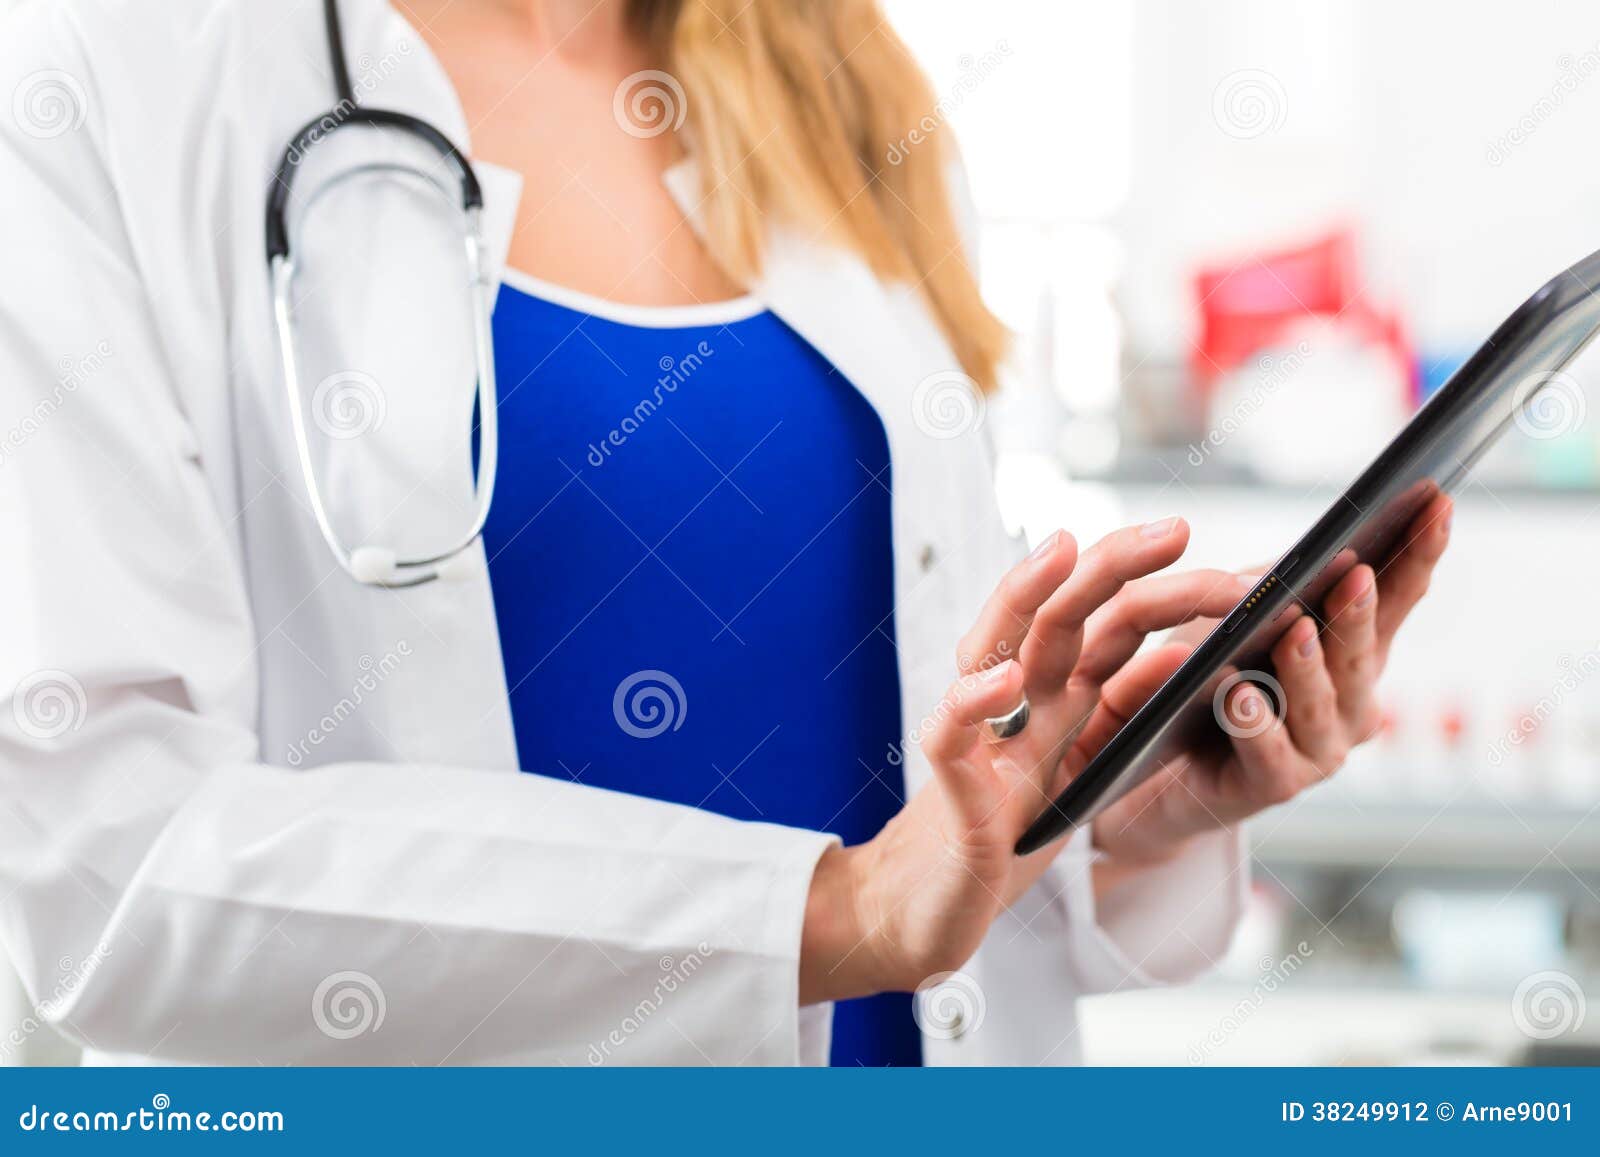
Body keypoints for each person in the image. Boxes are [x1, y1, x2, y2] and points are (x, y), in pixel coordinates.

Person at [0, 0, 1451, 1065]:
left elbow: (925, 815)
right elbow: (109, 869)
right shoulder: (105, 84)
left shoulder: (829, 73)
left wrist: (1111, 819)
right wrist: (827, 909)